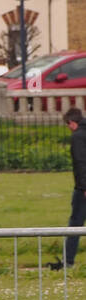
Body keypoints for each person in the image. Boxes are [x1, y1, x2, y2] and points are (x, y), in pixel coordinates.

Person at [52, 107, 86, 269]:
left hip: (82, 188)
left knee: (75, 224)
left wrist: (84, 186)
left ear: (72, 123)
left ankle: (68, 261)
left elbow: (81, 163)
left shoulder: (78, 137)